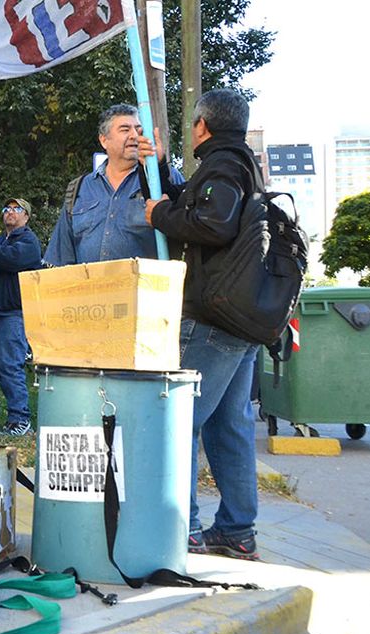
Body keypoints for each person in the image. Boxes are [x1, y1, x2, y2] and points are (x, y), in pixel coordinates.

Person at [146, 89, 263, 561]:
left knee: (178, 422)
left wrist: (159, 214)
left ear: (202, 125)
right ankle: (236, 531)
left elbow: (212, 225)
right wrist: (166, 174)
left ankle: (185, 528)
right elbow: (210, 211)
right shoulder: (243, 164)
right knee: (227, 428)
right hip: (244, 317)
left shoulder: (221, 164)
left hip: (214, 317)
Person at [44, 103, 183, 266]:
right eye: (125, 129)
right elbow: (61, 257)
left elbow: (186, 230)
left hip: (147, 289)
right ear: (104, 140)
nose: (134, 135)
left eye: (138, 130)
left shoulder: (163, 179)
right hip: (89, 289)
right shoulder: (78, 188)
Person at [0, 197, 42, 436]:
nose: (10, 212)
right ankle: (13, 416)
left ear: (26, 216)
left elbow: (11, 259)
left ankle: (21, 418)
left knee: (10, 366)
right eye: (7, 208)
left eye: (17, 209)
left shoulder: (28, 241)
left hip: (14, 313)